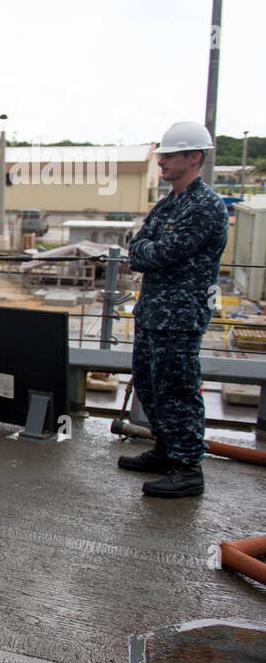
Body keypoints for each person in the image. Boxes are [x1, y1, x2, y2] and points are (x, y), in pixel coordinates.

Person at [118, 121, 228, 498]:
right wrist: (146, 251)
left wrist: (147, 251)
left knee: (178, 390)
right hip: (153, 312)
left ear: (194, 158)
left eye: (169, 155)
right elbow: (138, 248)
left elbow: (161, 251)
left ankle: (187, 468)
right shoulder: (169, 204)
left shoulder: (206, 206)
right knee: (149, 385)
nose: (161, 161)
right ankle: (166, 451)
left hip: (180, 316)